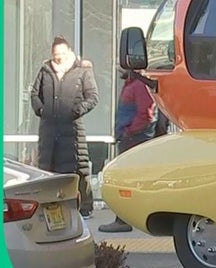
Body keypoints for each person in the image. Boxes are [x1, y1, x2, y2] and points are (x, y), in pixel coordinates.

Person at [31, 36, 99, 218]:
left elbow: (93, 97)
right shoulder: (45, 70)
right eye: (55, 55)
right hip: (49, 129)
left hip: (72, 129)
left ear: (68, 52)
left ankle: (85, 206)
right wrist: (41, 109)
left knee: (78, 168)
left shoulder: (82, 71)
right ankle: (50, 207)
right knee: (48, 168)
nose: (58, 58)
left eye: (61, 54)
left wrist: (77, 110)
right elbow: (34, 94)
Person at [99, 67, 158, 233]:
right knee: (128, 181)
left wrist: (129, 131)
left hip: (134, 139)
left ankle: (123, 219)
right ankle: (124, 217)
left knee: (125, 181)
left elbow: (146, 113)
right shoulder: (133, 84)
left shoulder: (138, 85)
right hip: (132, 137)